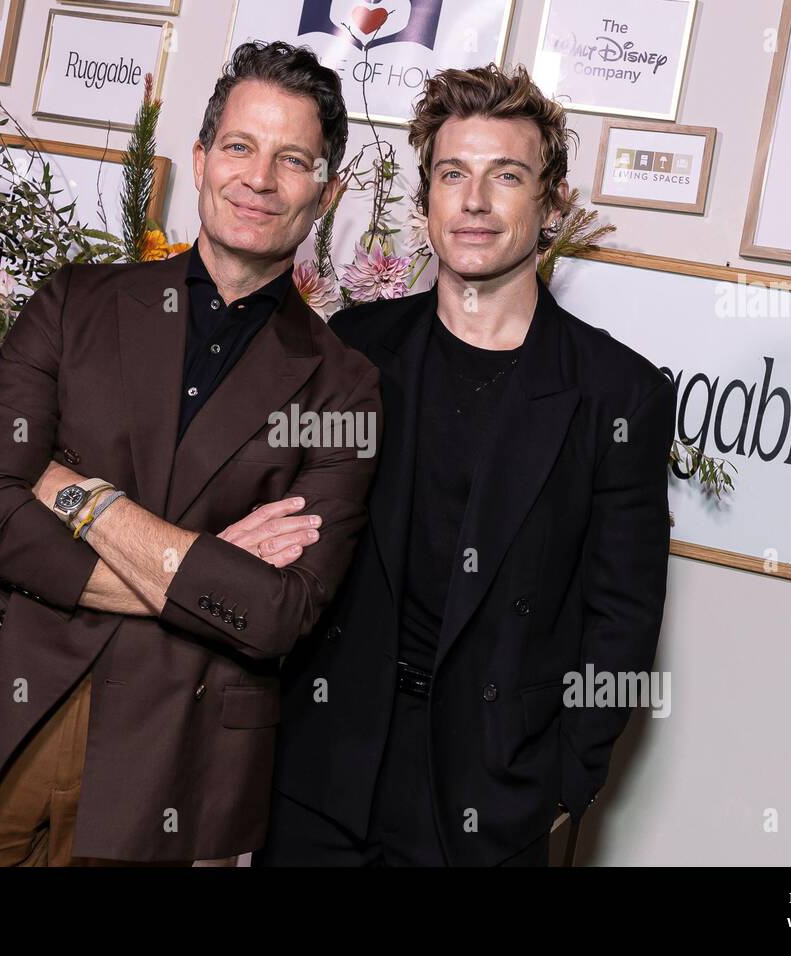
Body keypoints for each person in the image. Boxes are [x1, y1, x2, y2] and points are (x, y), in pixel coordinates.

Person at [0, 40, 380, 866]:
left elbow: (276, 613)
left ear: (327, 192)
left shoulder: (344, 388)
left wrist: (82, 495)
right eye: (241, 147)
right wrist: (207, 571)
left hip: (169, 756)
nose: (259, 178)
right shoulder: (75, 302)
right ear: (202, 156)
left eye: (292, 160)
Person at [256, 63, 676, 866]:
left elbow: (623, 624)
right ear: (425, 199)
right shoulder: (353, 349)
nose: (475, 201)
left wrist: (562, 783)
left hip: (488, 798)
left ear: (551, 204)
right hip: (321, 771)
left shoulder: (617, 393)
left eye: (506, 176)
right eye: (453, 173)